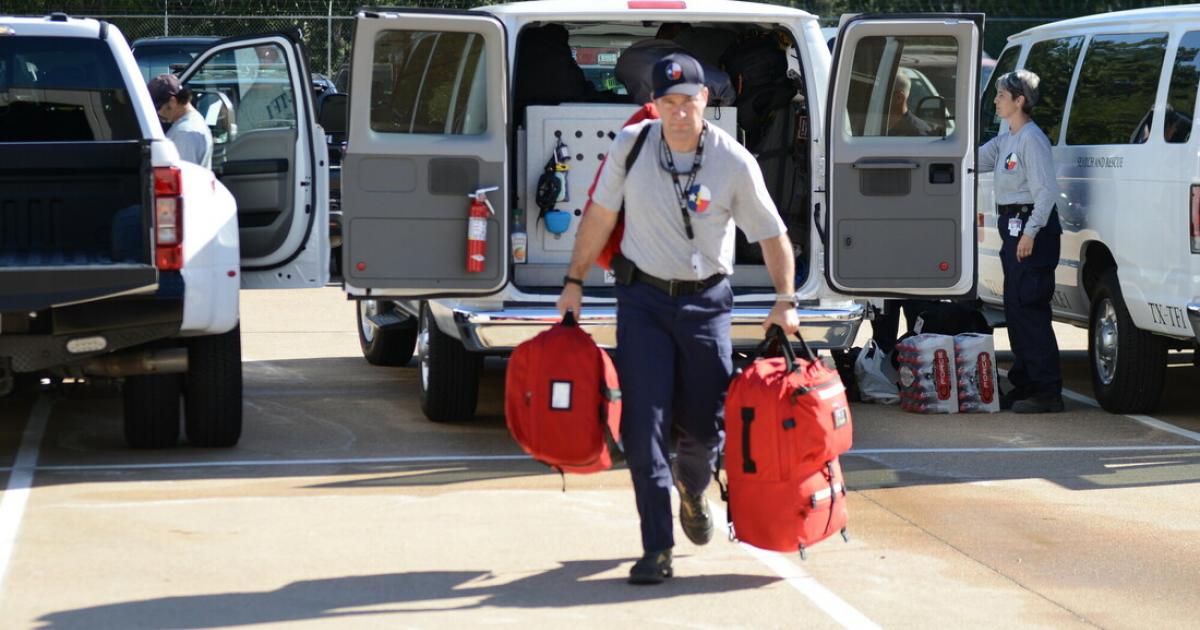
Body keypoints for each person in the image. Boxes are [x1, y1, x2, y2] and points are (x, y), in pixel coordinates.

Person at [556, 53, 799, 584]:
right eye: (668, 103)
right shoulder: (632, 145)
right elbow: (598, 215)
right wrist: (573, 282)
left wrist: (786, 298)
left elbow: (772, 234)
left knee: (704, 428)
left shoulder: (733, 161)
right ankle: (657, 548)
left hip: (706, 305)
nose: (679, 113)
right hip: (642, 302)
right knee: (643, 430)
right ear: (657, 104)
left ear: (704, 101)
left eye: (688, 102)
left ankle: (692, 487)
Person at [978, 70, 1064, 414]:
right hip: (1011, 225)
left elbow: (1046, 192)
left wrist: (1030, 232)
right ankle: (1025, 381)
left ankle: (1047, 390)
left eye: (1002, 95)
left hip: (1032, 229)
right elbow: (975, 158)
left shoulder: (1032, 139)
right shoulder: (1007, 137)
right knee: (1015, 308)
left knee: (1030, 309)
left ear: (1019, 101)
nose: (996, 100)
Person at [148, 73, 212, 169]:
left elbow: (184, 176)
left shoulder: (185, 133)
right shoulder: (192, 123)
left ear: (173, 101)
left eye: (158, 108)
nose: (157, 113)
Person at [887, 71, 934, 137]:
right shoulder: (875, 124)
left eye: (877, 92)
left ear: (899, 98)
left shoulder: (917, 135)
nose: (871, 97)